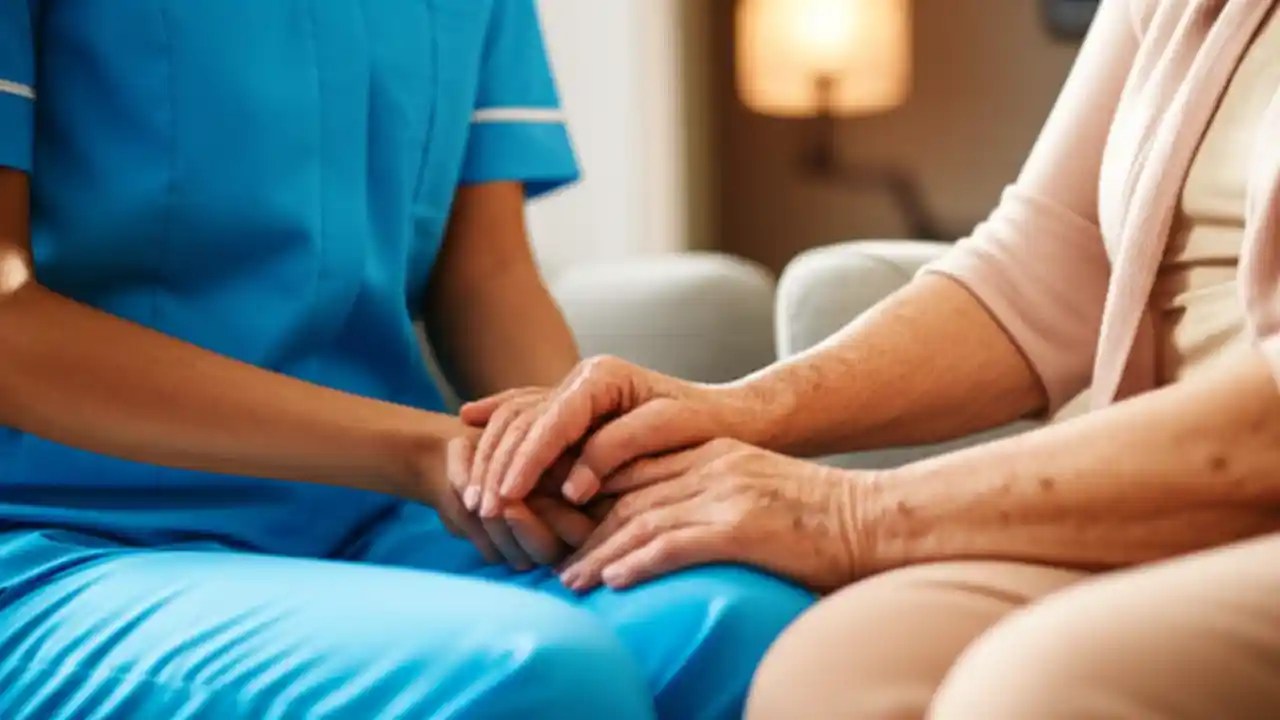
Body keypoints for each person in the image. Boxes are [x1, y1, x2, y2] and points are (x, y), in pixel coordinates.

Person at [459, 0, 1280, 717]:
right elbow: (1045, 265)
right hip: (1155, 505)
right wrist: (736, 411)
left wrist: (849, 514)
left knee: (1033, 693)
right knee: (833, 674)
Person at [0, 2, 811, 718]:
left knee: (760, 629)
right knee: (530, 679)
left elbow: (484, 273)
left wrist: (574, 466)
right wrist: (424, 451)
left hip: (368, 521)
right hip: (56, 540)